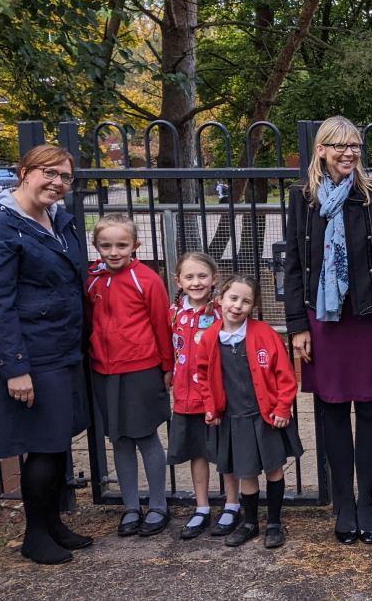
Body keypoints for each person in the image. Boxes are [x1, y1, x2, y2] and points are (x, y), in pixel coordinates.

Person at [0, 144, 92, 564]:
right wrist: (15, 367)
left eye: (65, 177)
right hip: (29, 354)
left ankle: (53, 522)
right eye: (49, 173)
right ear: (24, 171)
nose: (57, 183)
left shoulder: (57, 219)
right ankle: (35, 535)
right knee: (41, 444)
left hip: (59, 347)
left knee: (56, 441)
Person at [283, 115, 372, 545]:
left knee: (369, 411)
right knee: (332, 410)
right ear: (322, 150)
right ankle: (344, 504)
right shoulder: (303, 198)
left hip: (367, 318)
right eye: (339, 146)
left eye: (354, 146)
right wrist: (297, 324)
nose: (349, 153)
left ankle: (367, 503)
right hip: (324, 318)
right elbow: (294, 263)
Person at [196, 275, 303, 549]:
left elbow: (285, 376)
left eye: (246, 301)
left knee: (274, 469)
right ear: (220, 299)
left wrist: (282, 407)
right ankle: (250, 522)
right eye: (233, 298)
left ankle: (275, 523)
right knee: (246, 473)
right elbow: (204, 376)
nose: (237, 306)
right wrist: (211, 407)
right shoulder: (210, 338)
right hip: (235, 418)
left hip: (266, 416)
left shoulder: (264, 334)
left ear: (253, 306)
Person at [85, 214, 174, 538]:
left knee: (145, 436)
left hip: (140, 368)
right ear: (96, 246)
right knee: (119, 439)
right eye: (105, 245)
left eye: (121, 245)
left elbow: (161, 325)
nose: (113, 251)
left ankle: (159, 505)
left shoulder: (146, 280)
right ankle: (131, 506)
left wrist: (167, 366)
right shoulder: (93, 279)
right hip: (104, 370)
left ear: (135, 245)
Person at [167, 251, 242, 539]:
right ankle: (201, 507)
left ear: (214, 279)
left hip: (216, 394)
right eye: (189, 277)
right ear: (179, 281)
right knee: (197, 452)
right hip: (186, 397)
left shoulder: (219, 312)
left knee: (224, 450)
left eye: (202, 276)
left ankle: (232, 504)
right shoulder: (174, 312)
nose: (196, 282)